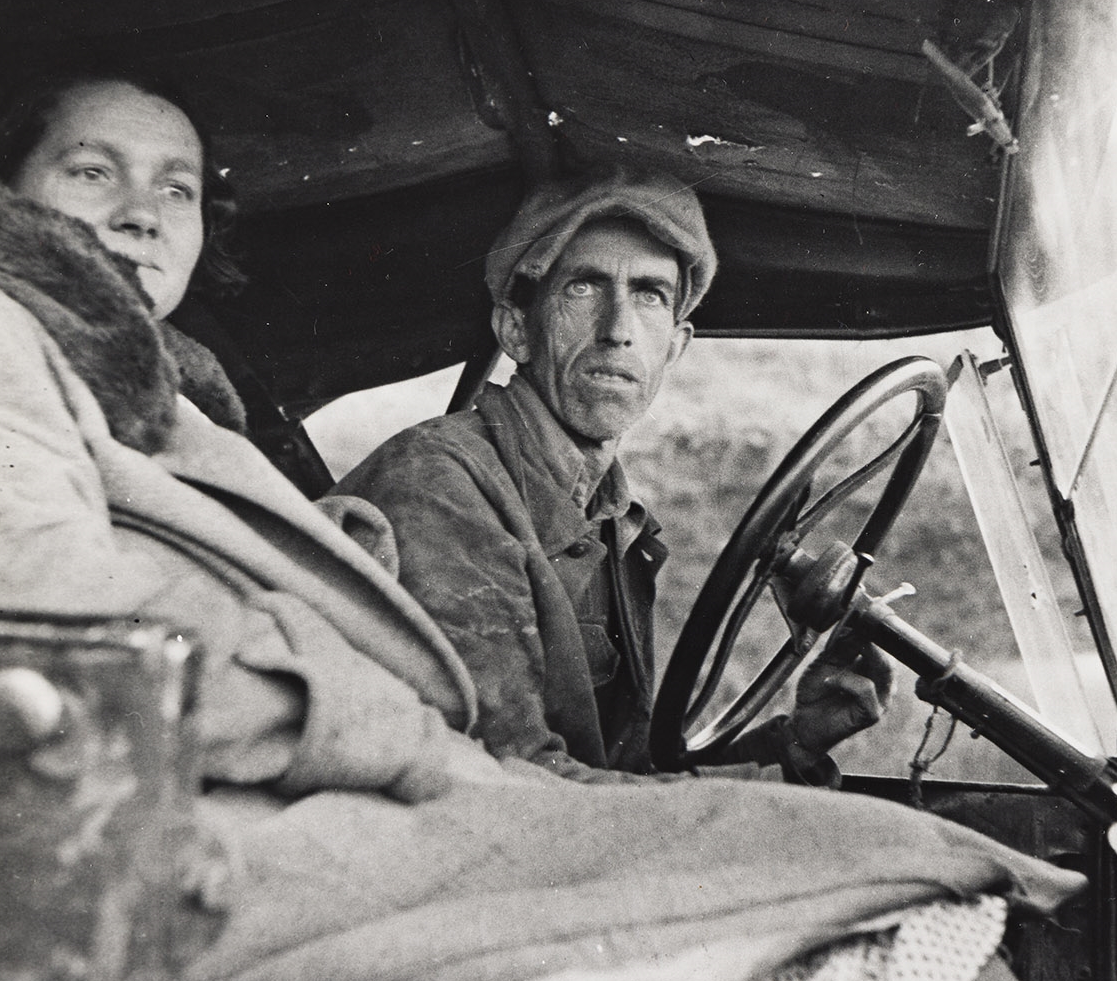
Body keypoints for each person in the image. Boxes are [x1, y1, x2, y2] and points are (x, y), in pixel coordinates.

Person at [0, 66, 1117, 981]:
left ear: (679, 343)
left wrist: (775, 748)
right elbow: (75, 642)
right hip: (214, 876)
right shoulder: (433, 478)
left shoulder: (190, 403)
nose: (142, 216)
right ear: (515, 325)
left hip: (308, 839)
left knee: (916, 909)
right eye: (92, 174)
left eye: (178, 188)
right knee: (893, 896)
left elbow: (607, 768)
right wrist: (364, 692)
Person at [334, 165, 889, 783]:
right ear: (516, 329)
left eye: (649, 295)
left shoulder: (611, 517)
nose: (618, 331)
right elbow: (513, 785)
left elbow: (620, 772)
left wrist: (794, 747)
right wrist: (769, 796)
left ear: (674, 347)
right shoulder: (439, 489)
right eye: (584, 288)